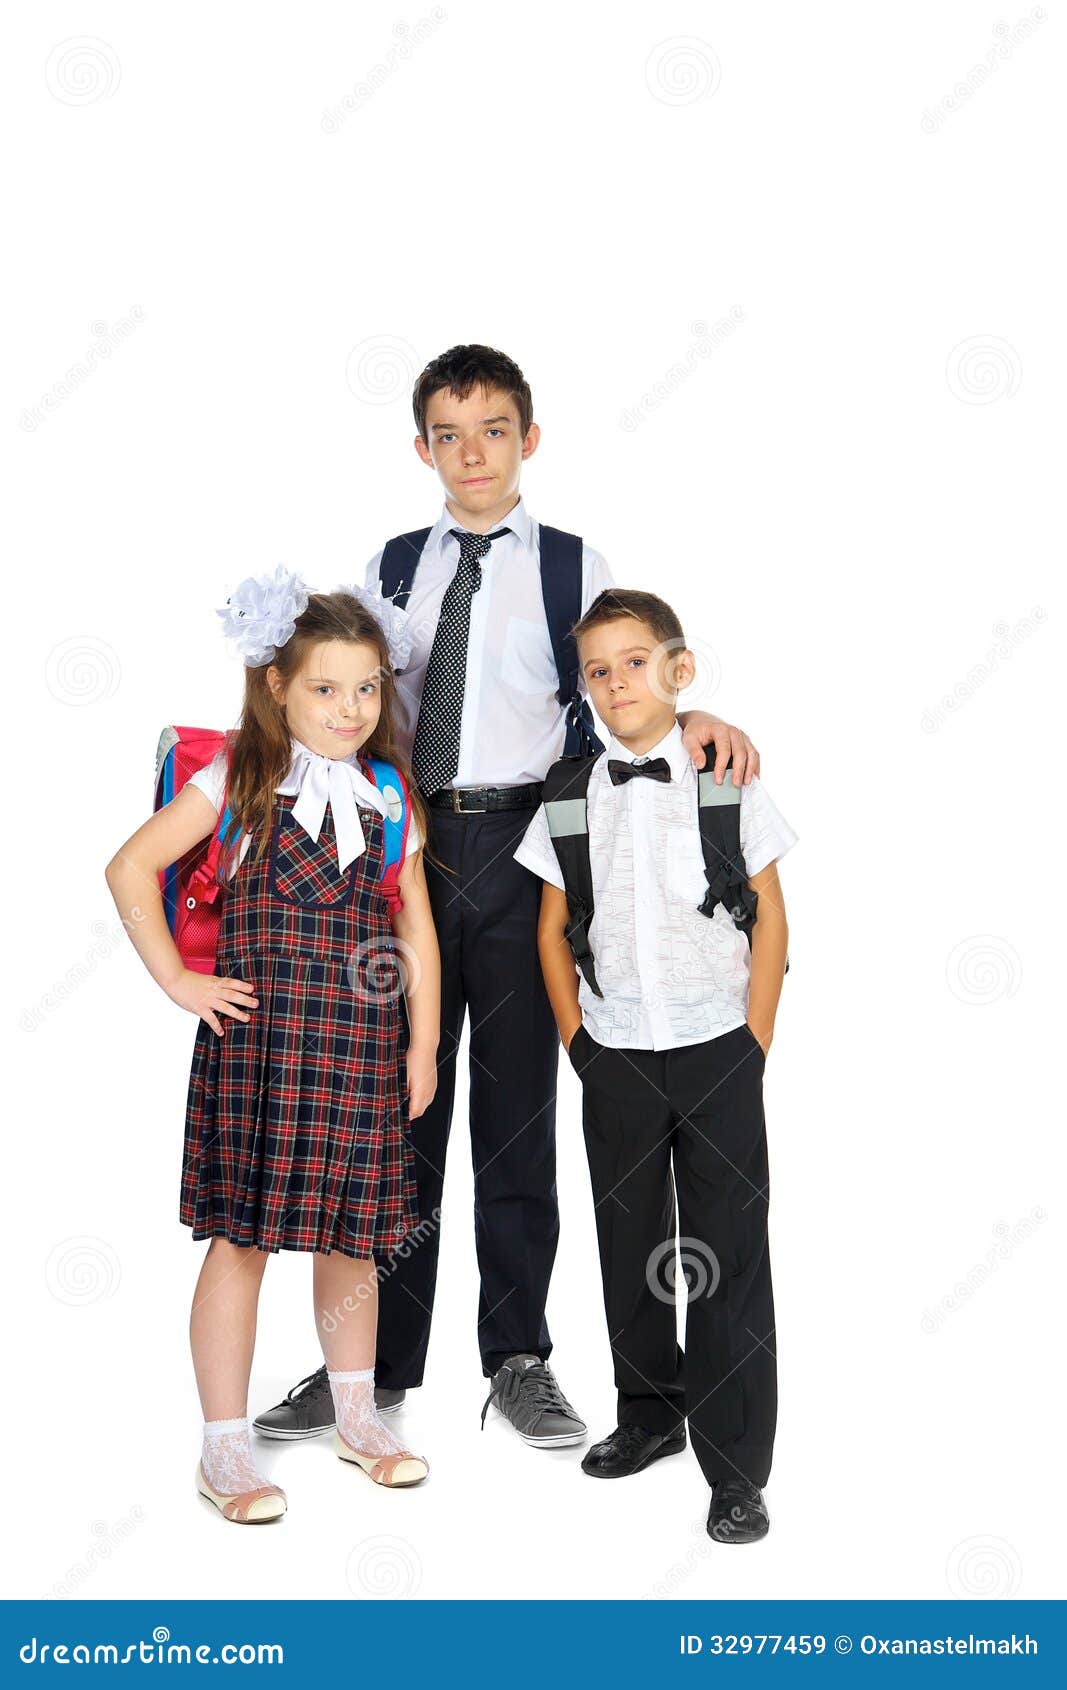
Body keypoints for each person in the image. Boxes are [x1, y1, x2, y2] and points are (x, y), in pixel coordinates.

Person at [256, 345, 759, 1452]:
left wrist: (703, 721)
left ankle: (516, 1355)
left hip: (528, 846)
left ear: (527, 438)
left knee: (517, 1116)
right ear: (421, 447)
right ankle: (371, 1370)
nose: (471, 452)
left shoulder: (572, 563)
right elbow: (331, 692)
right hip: (408, 847)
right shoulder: (394, 562)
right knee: (390, 1107)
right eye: (448, 432)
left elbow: (623, 682)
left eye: (492, 429)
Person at [104, 571, 440, 1520]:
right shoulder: (240, 778)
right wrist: (178, 979)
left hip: (359, 1051)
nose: (350, 708)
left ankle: (357, 1418)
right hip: (261, 1051)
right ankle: (225, 1451)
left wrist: (420, 1048)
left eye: (368, 689)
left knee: (355, 1244)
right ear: (277, 687)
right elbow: (130, 866)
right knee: (241, 1241)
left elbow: (415, 928)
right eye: (326, 689)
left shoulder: (387, 793)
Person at [514, 587, 794, 1542]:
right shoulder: (566, 797)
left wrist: (752, 1040)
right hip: (617, 1054)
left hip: (717, 1049)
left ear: (677, 669)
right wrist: (577, 1044)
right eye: (597, 669)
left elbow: (770, 913)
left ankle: (735, 1468)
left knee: (724, 1261)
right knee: (630, 1247)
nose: (614, 682)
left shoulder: (725, 779)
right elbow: (554, 932)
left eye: (633, 662)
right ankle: (649, 1416)